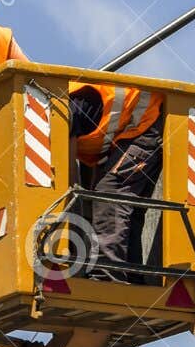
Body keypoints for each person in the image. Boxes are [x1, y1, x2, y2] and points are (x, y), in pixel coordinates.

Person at [68, 78, 164, 282]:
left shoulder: (63, 110)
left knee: (110, 193)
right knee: (130, 209)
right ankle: (133, 276)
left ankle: (107, 273)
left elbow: (68, 178)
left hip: (144, 123)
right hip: (131, 131)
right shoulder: (64, 103)